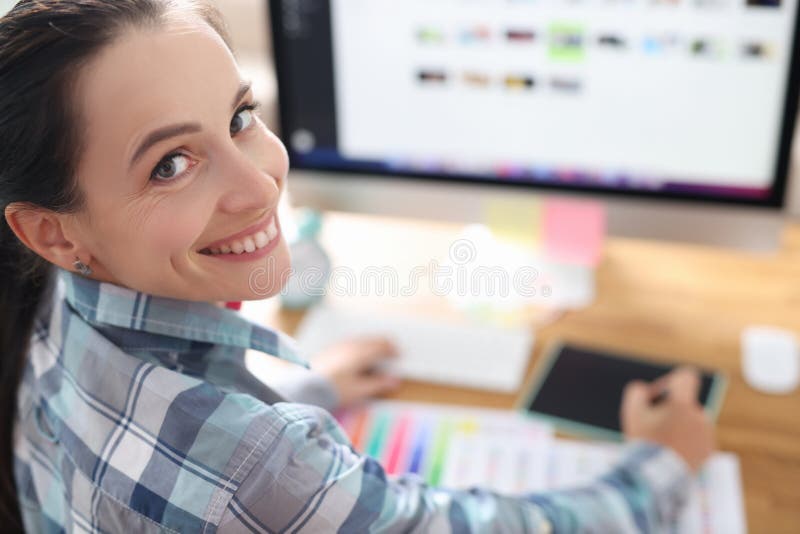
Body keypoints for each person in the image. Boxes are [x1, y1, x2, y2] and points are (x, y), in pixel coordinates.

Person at [0, 1, 714, 532]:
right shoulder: (254, 468)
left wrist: (303, 394)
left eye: (241, 117)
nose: (261, 185)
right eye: (171, 164)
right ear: (51, 232)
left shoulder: (58, 297)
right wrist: (664, 466)